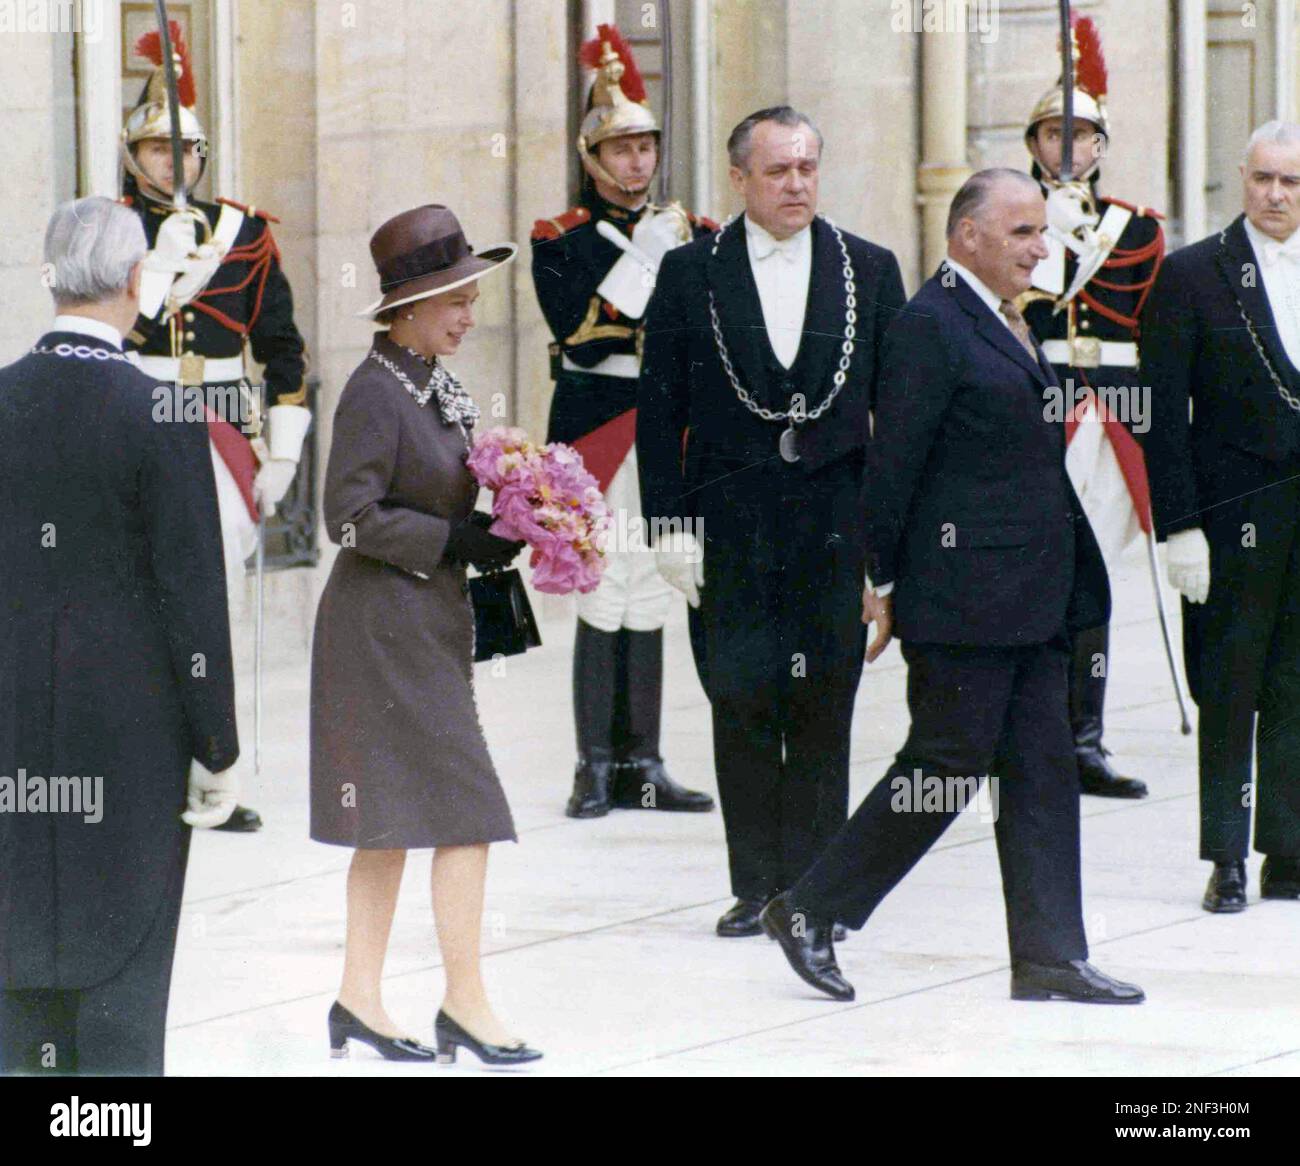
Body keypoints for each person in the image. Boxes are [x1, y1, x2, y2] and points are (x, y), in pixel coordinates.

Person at [762, 170, 1144, 1006]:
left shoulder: (1007, 321)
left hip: (1032, 598)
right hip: (964, 600)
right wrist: (885, 582)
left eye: (1042, 233)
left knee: (1042, 770)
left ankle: (1049, 955)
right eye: (1022, 234)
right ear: (967, 235)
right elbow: (892, 468)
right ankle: (811, 909)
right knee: (945, 765)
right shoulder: (930, 325)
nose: (1041, 249)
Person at [638, 106, 906, 939]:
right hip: (732, 521)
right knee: (743, 699)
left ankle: (816, 891)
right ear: (740, 178)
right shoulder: (690, 273)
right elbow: (658, 411)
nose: (796, 185)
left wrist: (884, 553)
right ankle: (756, 884)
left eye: (808, 169)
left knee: (826, 705)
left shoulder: (869, 267)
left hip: (834, 522)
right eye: (779, 171)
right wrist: (668, 526)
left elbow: (894, 421)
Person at [0, 197, 239, 1075]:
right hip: (131, 736)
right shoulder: (158, 412)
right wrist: (217, 741)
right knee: (123, 973)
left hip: (13, 727)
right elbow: (194, 595)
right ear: (139, 280)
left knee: (17, 968)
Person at [310, 205, 541, 1067]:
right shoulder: (378, 389)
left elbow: (431, 491)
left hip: (420, 618)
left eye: (470, 295)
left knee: (390, 821)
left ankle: (359, 1000)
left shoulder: (426, 381)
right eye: (453, 297)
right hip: (382, 625)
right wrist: (454, 541)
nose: (468, 313)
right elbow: (349, 514)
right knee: (466, 809)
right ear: (406, 308)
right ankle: (466, 1003)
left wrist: (511, 517)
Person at [121, 22, 311, 834]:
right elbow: (109, 330)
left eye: (186, 152)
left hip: (225, 430)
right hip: (135, 420)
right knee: (134, 605)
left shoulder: (248, 231)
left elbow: (283, 351)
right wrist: (155, 270)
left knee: (215, 605)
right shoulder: (108, 228)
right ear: (134, 157)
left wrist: (285, 454)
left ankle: (214, 772)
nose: (175, 164)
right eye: (160, 152)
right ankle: (140, 771)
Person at [531, 24, 716, 819]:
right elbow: (579, 328)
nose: (637, 162)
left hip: (666, 425)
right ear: (591, 159)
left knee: (653, 591)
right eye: (622, 150)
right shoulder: (560, 241)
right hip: (598, 425)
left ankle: (645, 761)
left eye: (646, 148)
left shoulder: (696, 234)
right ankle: (593, 765)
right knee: (599, 589)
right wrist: (644, 257)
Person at [1141, 121, 1300, 913]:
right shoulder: (1193, 275)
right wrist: (1180, 527)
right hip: (1231, 514)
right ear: (1242, 178)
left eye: (1292, 183)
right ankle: (1227, 856)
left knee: (1297, 683)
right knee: (1230, 685)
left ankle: (1289, 849)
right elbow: (1163, 416)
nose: (1276, 195)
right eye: (1264, 179)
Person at [1019, 14, 1164, 800]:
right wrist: (1054, 243)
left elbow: (1150, 323)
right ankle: (1034, 738)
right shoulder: (1011, 212)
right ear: (1033, 144)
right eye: (1052, 135)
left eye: (1081, 137)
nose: (1067, 149)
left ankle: (1086, 739)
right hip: (1039, 404)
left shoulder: (1136, 228)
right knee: (1040, 570)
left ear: (1101, 147)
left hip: (1109, 412)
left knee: (1096, 576)